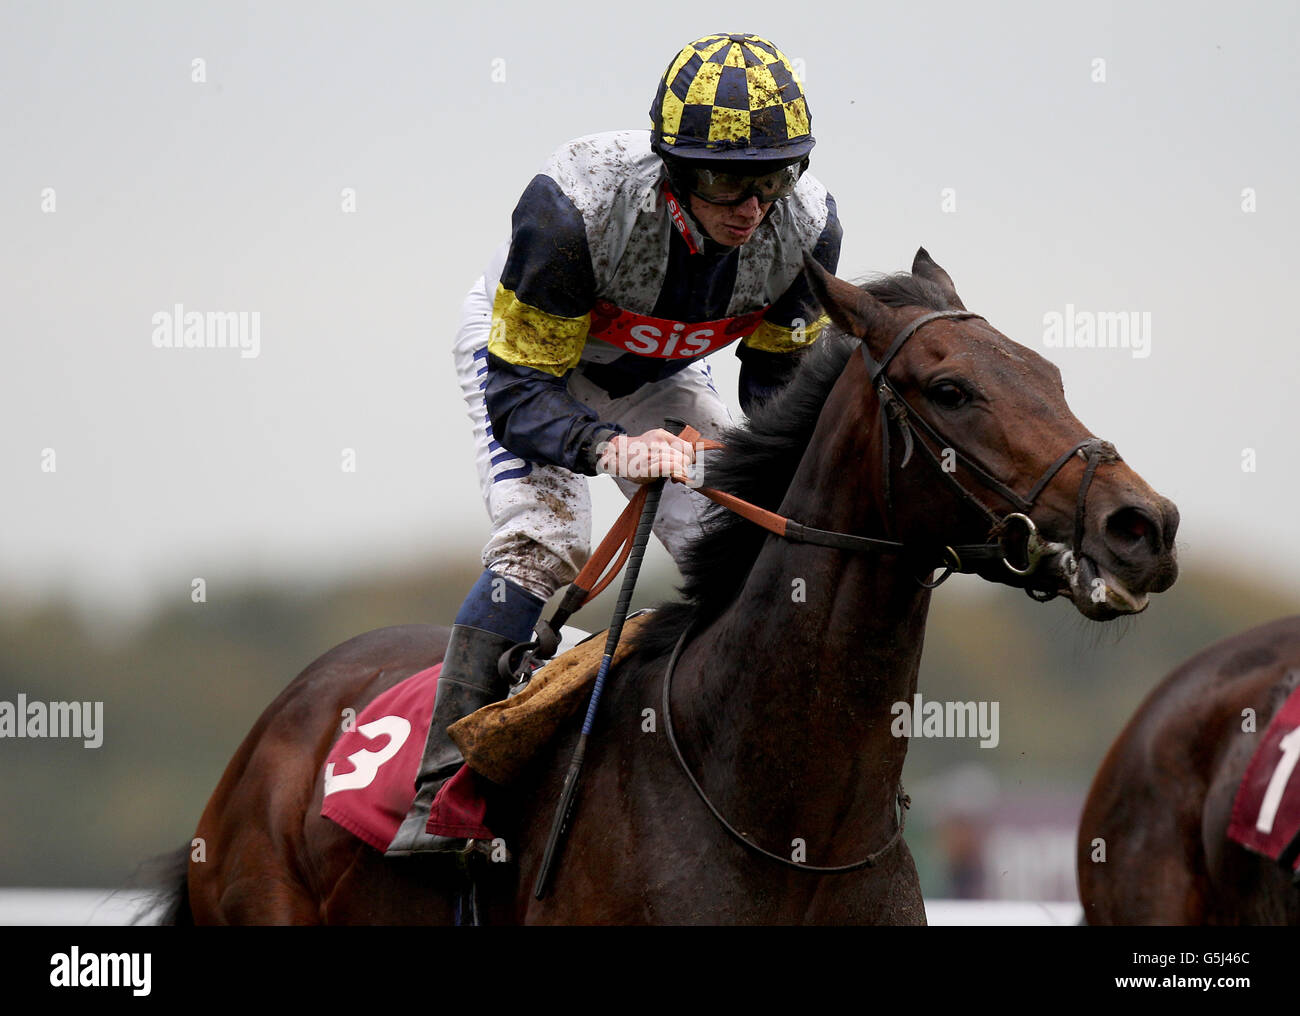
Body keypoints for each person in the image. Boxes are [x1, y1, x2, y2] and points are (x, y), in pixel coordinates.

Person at [387, 32, 843, 855]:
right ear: (672, 169)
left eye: (773, 178)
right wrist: (607, 449)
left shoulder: (807, 229)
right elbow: (520, 395)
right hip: (531, 365)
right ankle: (439, 797)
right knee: (545, 543)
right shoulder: (575, 206)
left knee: (743, 546)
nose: (751, 206)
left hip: (658, 370)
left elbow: (780, 393)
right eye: (724, 179)